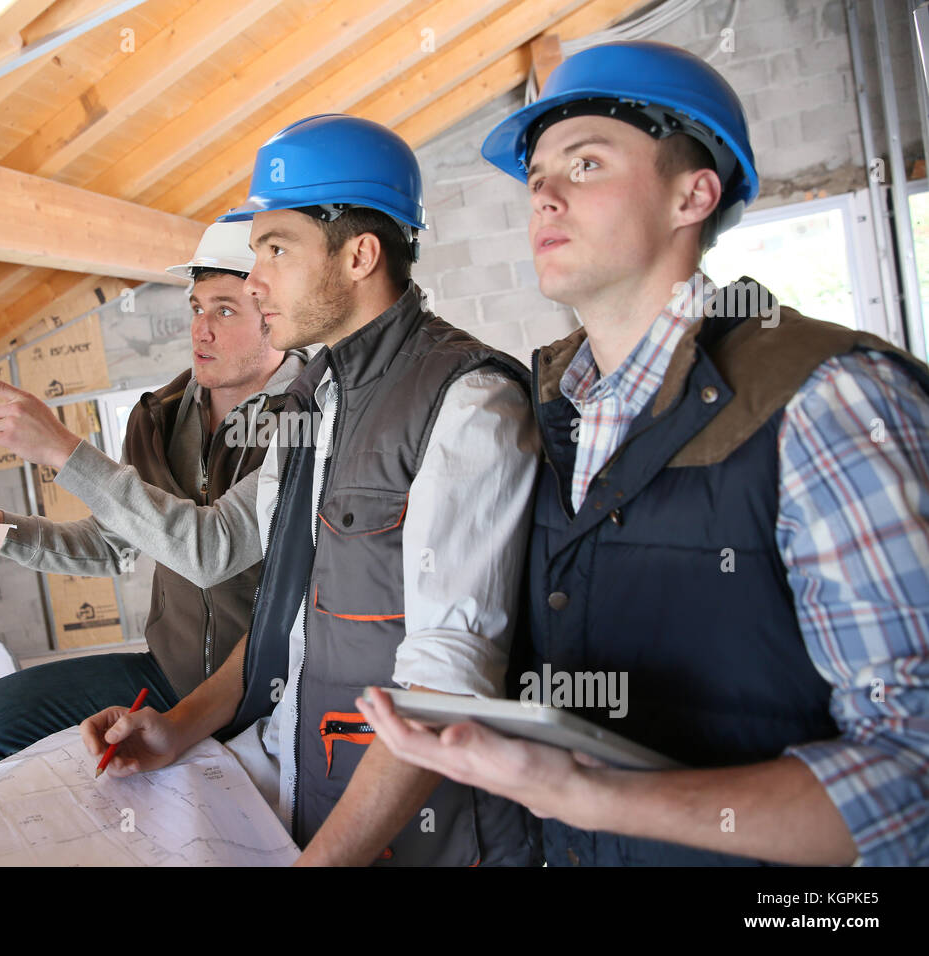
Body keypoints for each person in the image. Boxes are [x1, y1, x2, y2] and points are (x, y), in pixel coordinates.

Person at [358, 40, 929, 866]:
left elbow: (914, 778)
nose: (544, 196)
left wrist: (593, 795)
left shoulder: (828, 398)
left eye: (584, 164)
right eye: (536, 176)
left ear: (693, 195)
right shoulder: (546, 412)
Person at [0, 114, 543, 866]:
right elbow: (286, 624)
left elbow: (446, 689)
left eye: (274, 249)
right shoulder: (316, 403)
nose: (257, 275)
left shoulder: (467, 403)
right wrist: (178, 726)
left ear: (361, 254)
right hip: (288, 758)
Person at [0, 221, 307, 788]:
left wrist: (64, 451)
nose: (200, 330)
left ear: (273, 314)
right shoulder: (160, 415)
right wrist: (0, 531)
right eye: (196, 307)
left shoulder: (308, 420)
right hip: (172, 671)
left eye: (225, 311)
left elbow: (212, 550)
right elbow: (114, 545)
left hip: (267, 686)